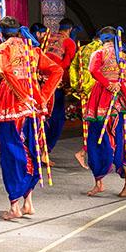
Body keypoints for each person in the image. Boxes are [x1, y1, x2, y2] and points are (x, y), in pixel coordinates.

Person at [0, 16, 63, 220]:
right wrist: (42, 96)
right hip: (32, 104)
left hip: (12, 103)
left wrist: (21, 95)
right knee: (31, 148)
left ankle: (14, 205)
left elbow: (5, 71)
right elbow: (57, 70)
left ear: (1, 33)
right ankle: (28, 202)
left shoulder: (2, 49)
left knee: (12, 152)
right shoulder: (32, 49)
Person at [83, 26, 126, 197]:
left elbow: (93, 71)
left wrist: (108, 84)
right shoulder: (125, 57)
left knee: (97, 139)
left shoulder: (99, 54)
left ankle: (99, 182)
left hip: (102, 100)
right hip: (122, 102)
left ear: (102, 40)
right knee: (122, 139)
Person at [41, 18, 77, 159]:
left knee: (43, 115)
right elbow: (67, 64)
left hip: (41, 82)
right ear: (70, 30)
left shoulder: (47, 38)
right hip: (55, 84)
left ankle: (37, 149)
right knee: (56, 118)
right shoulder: (69, 42)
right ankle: (45, 151)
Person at [70, 32, 102, 169]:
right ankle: (86, 152)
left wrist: (76, 85)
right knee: (97, 124)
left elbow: (73, 67)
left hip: (84, 89)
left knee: (90, 123)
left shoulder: (83, 49)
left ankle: (85, 151)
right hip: (96, 89)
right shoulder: (101, 50)